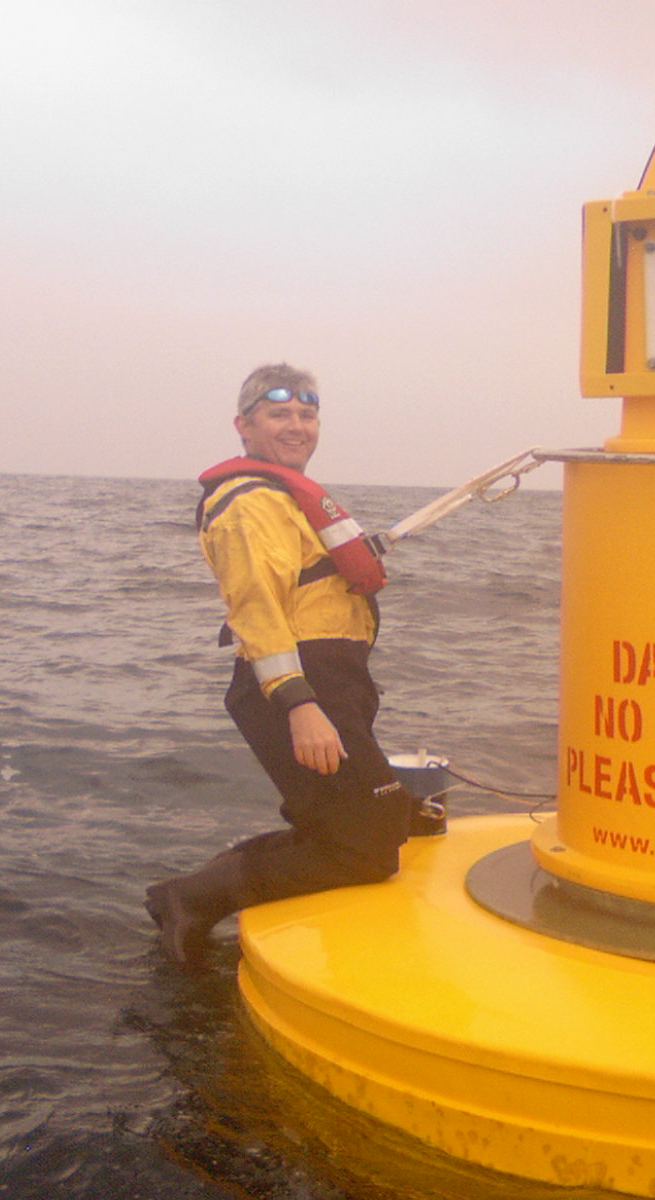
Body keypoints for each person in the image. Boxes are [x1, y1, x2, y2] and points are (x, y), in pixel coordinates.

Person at [145, 363, 416, 969]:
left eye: (306, 414)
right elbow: (256, 609)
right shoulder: (249, 505)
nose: (297, 425)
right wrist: (300, 705)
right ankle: (191, 899)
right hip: (297, 687)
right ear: (243, 427)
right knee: (369, 851)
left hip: (334, 680)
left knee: (380, 818)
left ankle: (203, 889)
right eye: (278, 414)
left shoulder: (286, 498)